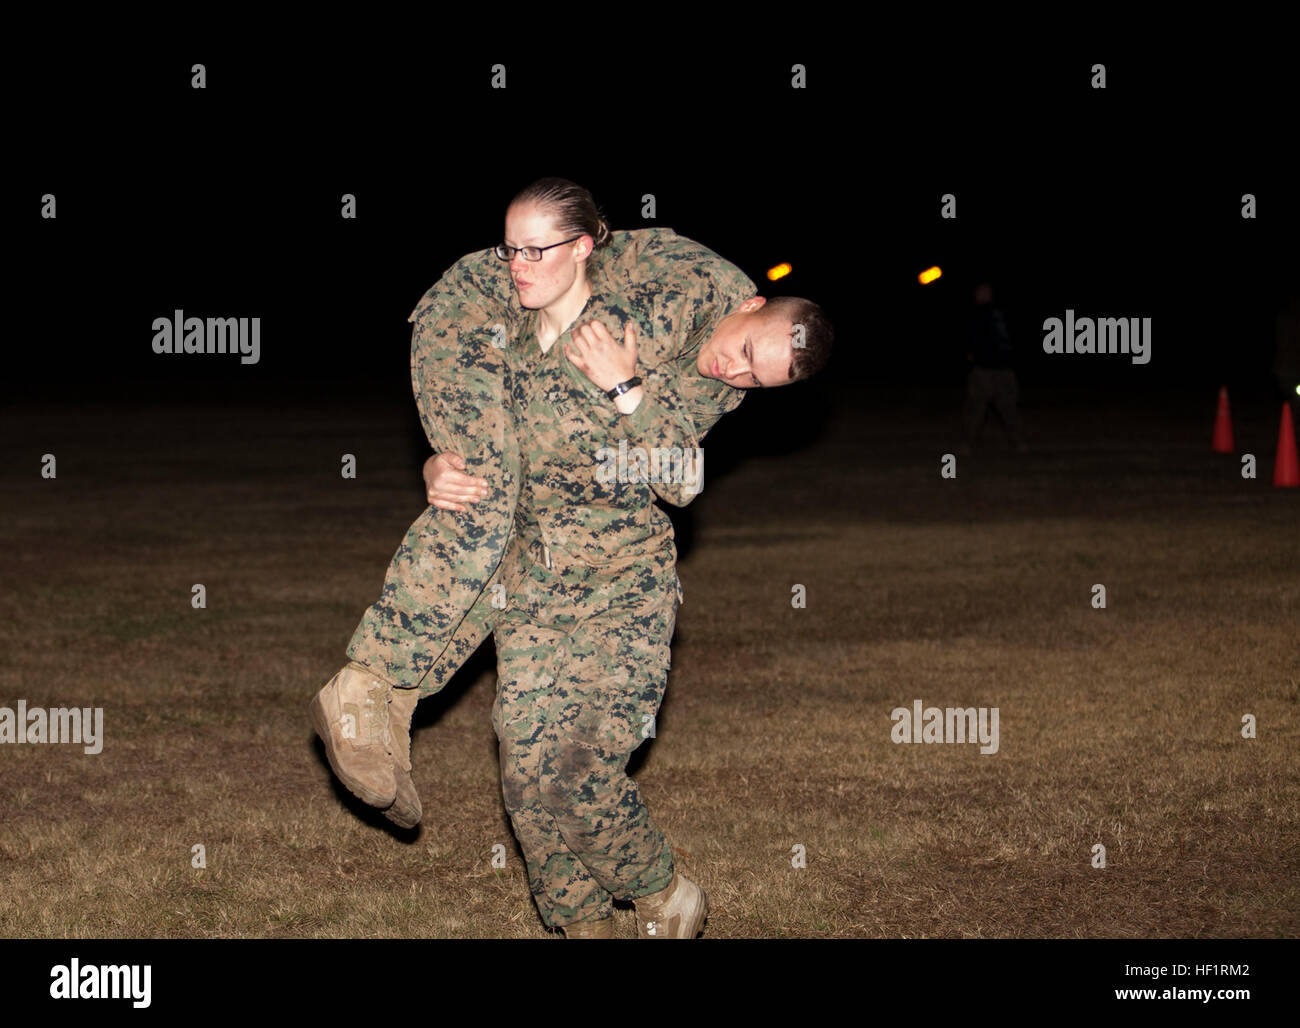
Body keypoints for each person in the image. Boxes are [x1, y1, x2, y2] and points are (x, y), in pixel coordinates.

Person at [311, 178, 833, 936]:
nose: (738, 374)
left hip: (622, 583)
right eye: (748, 352)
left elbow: (679, 478)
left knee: (564, 773)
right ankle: (576, 916)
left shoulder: (712, 383)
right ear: (751, 305)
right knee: (527, 774)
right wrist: (446, 458)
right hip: (534, 569)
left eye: (760, 379)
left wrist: (625, 389)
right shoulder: (673, 286)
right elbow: (532, 391)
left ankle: (658, 893)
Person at [960, 281, 1028, 454]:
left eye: (984, 292)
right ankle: (968, 444)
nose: (981, 295)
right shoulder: (983, 314)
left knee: (1002, 407)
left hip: (996, 368)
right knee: (983, 408)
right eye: (979, 292)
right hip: (991, 368)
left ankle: (1018, 443)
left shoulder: (992, 313)